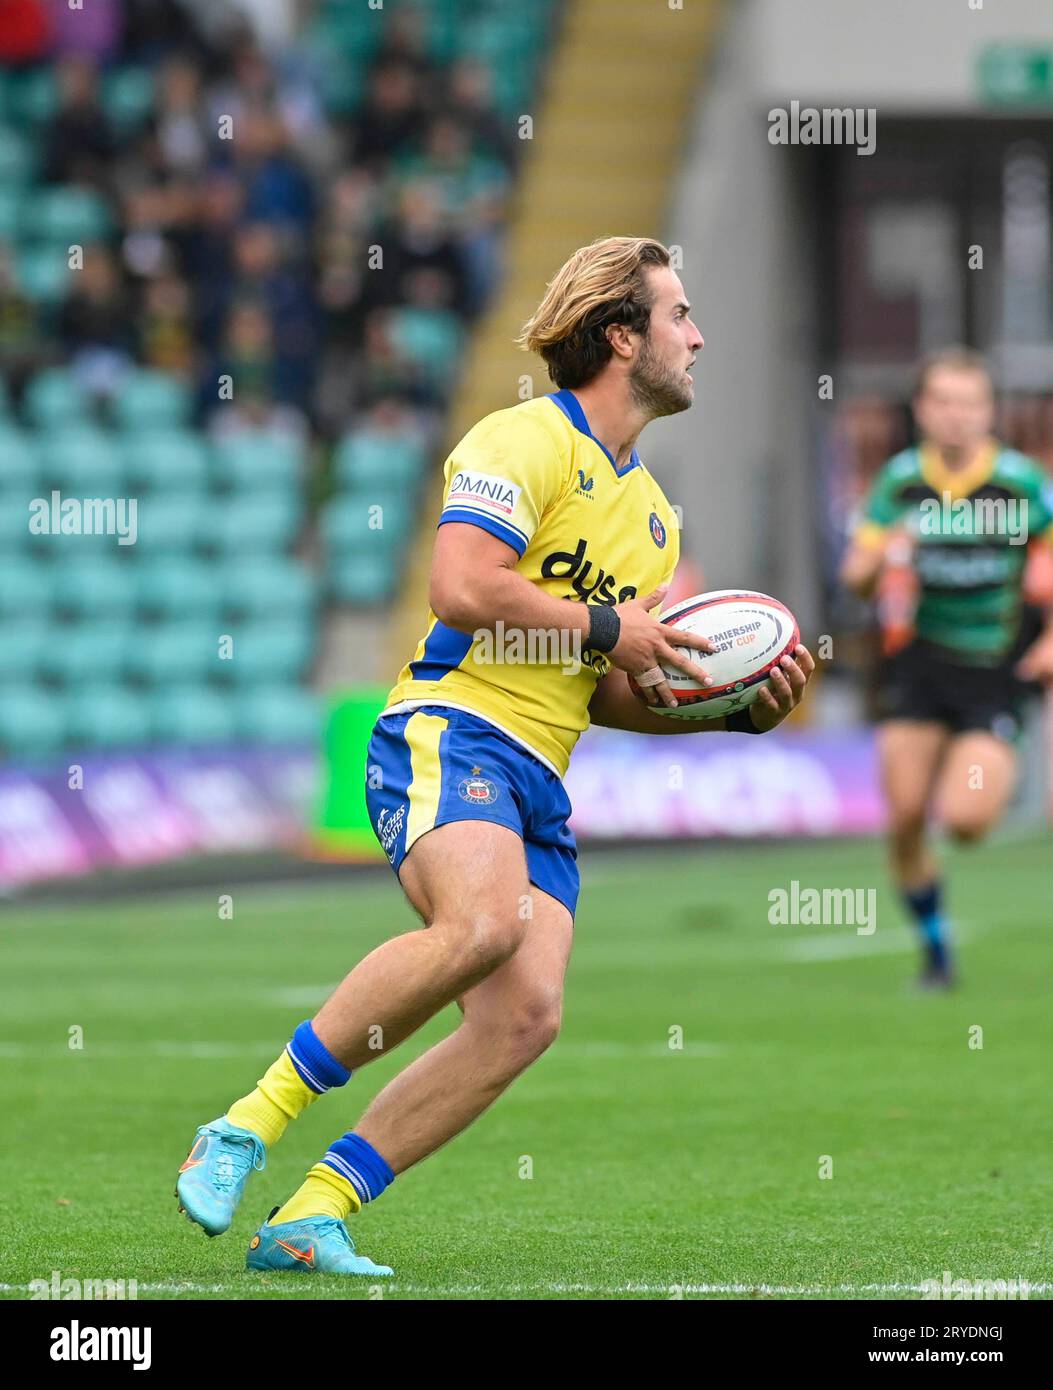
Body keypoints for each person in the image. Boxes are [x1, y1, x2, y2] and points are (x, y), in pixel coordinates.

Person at [175, 236, 814, 1276]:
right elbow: (462, 588)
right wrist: (611, 627)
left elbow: (602, 690)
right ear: (622, 335)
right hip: (450, 728)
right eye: (679, 315)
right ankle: (245, 1124)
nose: (698, 336)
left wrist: (724, 713)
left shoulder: (652, 522)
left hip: (539, 771)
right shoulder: (521, 439)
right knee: (479, 926)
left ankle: (314, 1211)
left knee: (526, 1016)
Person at [841, 348, 1053, 988]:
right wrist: (885, 557)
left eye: (971, 403)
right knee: (905, 815)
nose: (957, 416)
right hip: (918, 669)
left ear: (989, 411)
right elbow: (855, 577)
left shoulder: (1019, 484)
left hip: (993, 670)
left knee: (965, 821)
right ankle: (936, 953)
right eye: (944, 402)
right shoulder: (900, 481)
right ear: (923, 410)